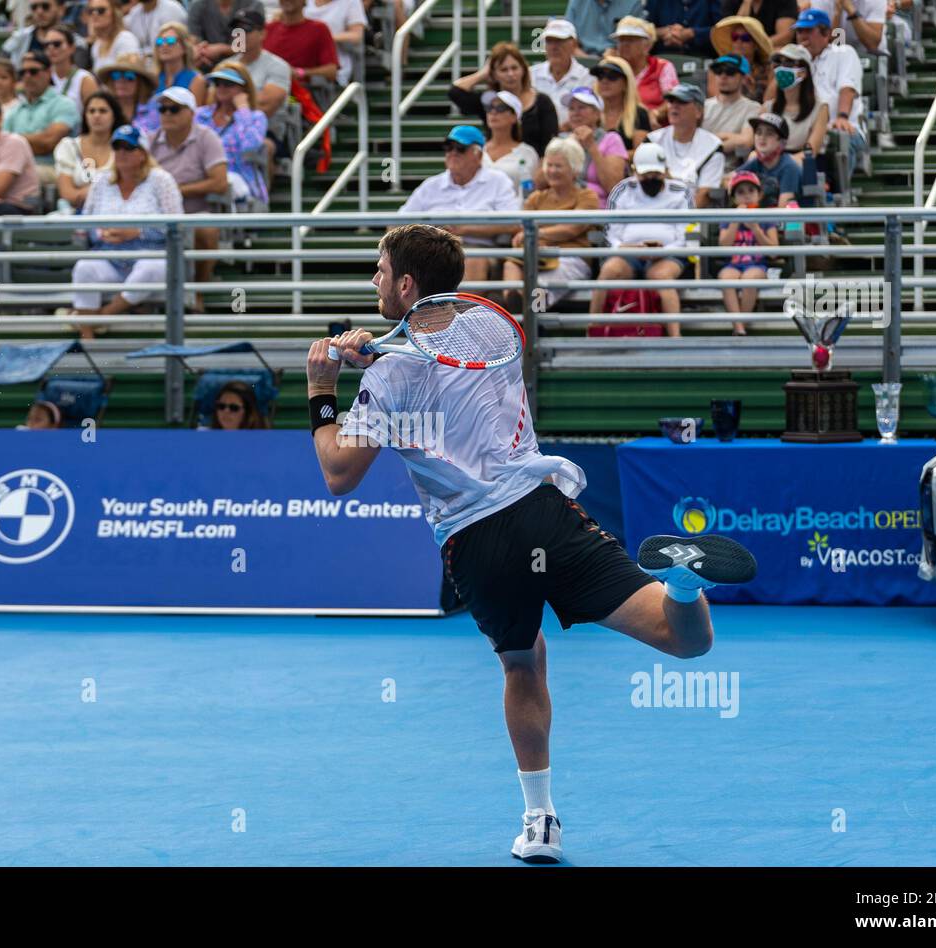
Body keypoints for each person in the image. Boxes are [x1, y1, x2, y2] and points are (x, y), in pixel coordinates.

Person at [305, 222, 757, 864]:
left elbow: (338, 473)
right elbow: (431, 353)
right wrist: (381, 352)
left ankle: (540, 820)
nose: (373, 281)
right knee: (689, 641)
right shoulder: (492, 332)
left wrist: (324, 390)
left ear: (405, 283)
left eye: (380, 271)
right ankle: (684, 582)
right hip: (543, 511)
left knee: (522, 663)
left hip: (476, 542)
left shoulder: (387, 381)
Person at [68, 124, 183, 335]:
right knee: (84, 267)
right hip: (108, 255)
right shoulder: (102, 181)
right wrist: (101, 233)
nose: (121, 153)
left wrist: (137, 232)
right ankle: (88, 336)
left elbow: (176, 226)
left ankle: (103, 316)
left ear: (142, 154)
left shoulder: (161, 179)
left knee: (152, 269)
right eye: (117, 147)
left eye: (128, 148)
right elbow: (86, 222)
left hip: (148, 255)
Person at [400, 125, 522, 283]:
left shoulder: (498, 181)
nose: (452, 153)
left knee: (471, 259)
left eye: (460, 148)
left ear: (478, 155)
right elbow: (396, 223)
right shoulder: (431, 185)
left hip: (478, 250)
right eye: (448, 147)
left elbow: (514, 223)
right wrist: (432, 232)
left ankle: (458, 309)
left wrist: (464, 229)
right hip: (432, 250)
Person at [592, 142, 691, 337]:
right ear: (635, 171)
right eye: (646, 175)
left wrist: (662, 250)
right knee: (608, 272)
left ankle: (676, 339)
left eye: (656, 174)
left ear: (665, 171)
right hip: (628, 253)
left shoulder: (681, 192)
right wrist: (625, 247)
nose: (651, 179)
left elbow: (686, 233)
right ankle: (593, 330)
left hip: (668, 255)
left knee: (661, 277)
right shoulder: (622, 190)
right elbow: (611, 233)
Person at [501, 137, 598, 313]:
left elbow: (573, 227)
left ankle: (530, 318)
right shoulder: (536, 198)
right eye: (549, 165)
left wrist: (538, 234)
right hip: (537, 256)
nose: (552, 171)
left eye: (558, 166)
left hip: (569, 258)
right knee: (511, 265)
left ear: (575, 170)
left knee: (539, 285)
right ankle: (515, 309)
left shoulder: (587, 196)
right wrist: (530, 237)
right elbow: (521, 229)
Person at [151, 85, 227, 307]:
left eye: (174, 109)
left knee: (207, 229)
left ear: (191, 113)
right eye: (162, 109)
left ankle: (197, 291)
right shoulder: (150, 140)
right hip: (158, 212)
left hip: (194, 211)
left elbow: (220, 182)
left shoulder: (207, 138)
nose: (166, 114)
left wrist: (175, 190)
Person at [448, 42, 559, 156]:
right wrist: (483, 73)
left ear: (524, 70)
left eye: (514, 68)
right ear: (494, 74)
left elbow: (550, 144)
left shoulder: (542, 102)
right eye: (503, 70)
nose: (510, 74)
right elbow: (455, 92)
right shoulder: (490, 101)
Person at [792, 8, 865, 175]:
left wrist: (842, 117)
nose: (802, 36)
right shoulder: (796, 61)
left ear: (825, 33)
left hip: (838, 126)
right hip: (805, 130)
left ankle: (837, 195)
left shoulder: (843, 52)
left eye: (808, 30)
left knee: (839, 137)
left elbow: (847, 88)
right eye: (799, 31)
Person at [219, 9, 288, 182]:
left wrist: (233, 101)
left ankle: (260, 204)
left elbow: (268, 106)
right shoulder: (225, 66)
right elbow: (211, 102)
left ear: (263, 33)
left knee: (261, 146)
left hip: (266, 131)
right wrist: (249, 98)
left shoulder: (278, 65)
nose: (240, 34)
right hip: (223, 127)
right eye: (236, 30)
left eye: (247, 29)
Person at [195, 64, 268, 205]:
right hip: (202, 179)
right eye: (217, 83)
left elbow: (250, 147)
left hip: (239, 183)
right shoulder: (200, 115)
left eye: (228, 84)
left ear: (244, 89)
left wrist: (243, 110)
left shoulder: (256, 117)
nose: (221, 88)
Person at [541, 86, 627, 207]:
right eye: (571, 109)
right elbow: (540, 182)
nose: (576, 113)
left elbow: (614, 188)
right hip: (562, 206)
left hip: (597, 209)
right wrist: (566, 146)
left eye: (582, 108)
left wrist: (592, 147)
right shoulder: (561, 139)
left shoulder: (611, 139)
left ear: (597, 113)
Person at [716, 169, 777, 335]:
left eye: (751, 191)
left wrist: (756, 229)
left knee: (749, 278)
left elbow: (774, 252)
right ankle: (740, 328)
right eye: (741, 192)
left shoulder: (766, 218)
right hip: (734, 264)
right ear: (734, 198)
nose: (747, 196)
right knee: (726, 278)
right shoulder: (728, 218)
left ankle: (739, 327)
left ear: (759, 194)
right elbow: (724, 247)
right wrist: (735, 222)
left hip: (757, 265)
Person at [5, 50, 81, 178]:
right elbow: (1, 146)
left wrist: (13, 140)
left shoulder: (65, 104)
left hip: (54, 170)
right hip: (17, 170)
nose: (27, 76)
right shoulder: (14, 110)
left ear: (48, 73)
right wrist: (35, 139)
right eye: (22, 73)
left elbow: (48, 142)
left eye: (33, 71)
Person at [647, 83, 724, 207]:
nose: (674, 106)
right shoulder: (652, 141)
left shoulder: (713, 146)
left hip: (690, 220)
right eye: (671, 101)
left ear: (698, 111)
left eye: (682, 102)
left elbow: (704, 195)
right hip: (654, 212)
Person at [54, 88, 122, 208]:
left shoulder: (124, 147)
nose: (96, 115)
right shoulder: (68, 146)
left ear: (114, 116)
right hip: (76, 214)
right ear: (85, 116)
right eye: (91, 111)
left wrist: (87, 193)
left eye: (103, 111)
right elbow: (67, 193)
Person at [770, 43, 828, 160]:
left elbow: (810, 152)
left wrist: (779, 165)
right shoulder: (768, 108)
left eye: (788, 63)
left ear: (803, 72)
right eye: (778, 62)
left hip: (803, 167)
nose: (781, 68)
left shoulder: (820, 109)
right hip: (770, 164)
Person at [608, 16, 676, 113]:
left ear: (647, 46)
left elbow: (672, 101)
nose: (625, 45)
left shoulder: (662, 67)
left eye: (631, 40)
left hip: (654, 125)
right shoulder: (613, 69)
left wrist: (654, 115)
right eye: (621, 40)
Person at [530, 18, 590, 128]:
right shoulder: (531, 75)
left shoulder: (587, 77)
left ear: (574, 44)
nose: (554, 47)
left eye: (559, 41)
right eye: (549, 41)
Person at [263, 0, 339, 88]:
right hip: (266, 88)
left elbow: (331, 71)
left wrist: (300, 72)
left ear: (305, 2)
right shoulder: (268, 29)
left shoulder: (319, 29)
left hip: (301, 92)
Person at [703, 54, 760, 166]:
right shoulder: (703, 106)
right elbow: (690, 140)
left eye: (730, 72)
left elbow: (745, 142)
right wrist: (729, 138)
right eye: (718, 71)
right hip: (699, 168)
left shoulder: (753, 108)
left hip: (733, 172)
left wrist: (707, 142)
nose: (723, 76)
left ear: (744, 78)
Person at [480, 91, 539, 195]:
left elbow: (530, 190)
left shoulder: (527, 153)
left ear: (514, 117)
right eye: (489, 108)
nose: (493, 112)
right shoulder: (477, 149)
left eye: (501, 108)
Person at [736, 111, 802, 204]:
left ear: (782, 142)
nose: (762, 137)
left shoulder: (789, 167)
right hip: (763, 216)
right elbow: (729, 179)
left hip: (791, 217)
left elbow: (784, 210)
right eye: (758, 132)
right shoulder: (755, 162)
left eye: (769, 133)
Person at [1, 0, 90, 68]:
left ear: (61, 9)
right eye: (34, 7)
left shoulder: (77, 43)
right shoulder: (18, 38)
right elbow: (1, 66)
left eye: (45, 6)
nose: (39, 12)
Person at [590, 54, 649, 150]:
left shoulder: (639, 114)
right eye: (600, 76)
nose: (605, 81)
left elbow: (640, 153)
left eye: (612, 77)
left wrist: (612, 158)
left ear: (626, 83)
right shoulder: (589, 112)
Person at [710, 15, 773, 102]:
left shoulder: (768, 69)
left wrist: (751, 88)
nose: (739, 41)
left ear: (755, 45)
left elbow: (769, 101)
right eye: (735, 37)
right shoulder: (718, 67)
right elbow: (718, 99)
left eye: (745, 38)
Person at [188, 0, 266, 70]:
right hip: (205, 64)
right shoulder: (198, 5)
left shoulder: (253, 4)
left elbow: (252, 43)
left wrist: (222, 49)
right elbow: (193, 40)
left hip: (246, 67)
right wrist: (202, 51)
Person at [303, 0, 365, 86]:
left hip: (331, 69)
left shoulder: (351, 2)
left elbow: (356, 35)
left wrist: (324, 38)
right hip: (298, 63)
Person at [96, 51, 159, 132]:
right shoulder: (103, 106)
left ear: (141, 82)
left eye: (129, 77)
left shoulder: (155, 107)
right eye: (116, 75)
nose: (121, 81)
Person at [44, 24, 98, 113]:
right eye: (47, 45)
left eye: (57, 44)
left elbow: (93, 113)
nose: (51, 48)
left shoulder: (84, 79)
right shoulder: (42, 76)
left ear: (72, 48)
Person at [563, 0, 642, 57]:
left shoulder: (633, 3)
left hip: (619, 61)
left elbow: (637, 43)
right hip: (581, 60)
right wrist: (584, 58)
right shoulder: (576, 2)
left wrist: (617, 55)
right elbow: (567, 39)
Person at [153, 19, 206, 102]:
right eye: (160, 41)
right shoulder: (153, 79)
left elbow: (195, 113)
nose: (164, 45)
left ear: (184, 47)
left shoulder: (196, 80)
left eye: (170, 41)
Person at [809, 0, 887, 53]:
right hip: (835, 53)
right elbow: (822, 44)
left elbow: (872, 44)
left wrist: (851, 10)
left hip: (870, 55)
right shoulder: (819, 1)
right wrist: (837, 14)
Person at [86, 0, 142, 71]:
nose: (94, 14)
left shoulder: (125, 39)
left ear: (114, 13)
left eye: (101, 10)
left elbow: (131, 76)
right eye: (91, 11)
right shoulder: (97, 45)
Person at [647, 0, 717, 56]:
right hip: (662, 58)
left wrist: (692, 33)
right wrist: (663, 32)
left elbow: (723, 31)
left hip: (704, 58)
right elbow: (642, 29)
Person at [718, 0, 797, 46]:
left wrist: (759, 49)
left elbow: (785, 36)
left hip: (774, 48)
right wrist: (747, 2)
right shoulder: (731, 2)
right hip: (741, 49)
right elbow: (733, 34)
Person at [124, 0, 188, 52]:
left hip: (168, 60)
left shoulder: (172, 8)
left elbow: (177, 41)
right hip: (142, 63)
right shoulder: (134, 13)